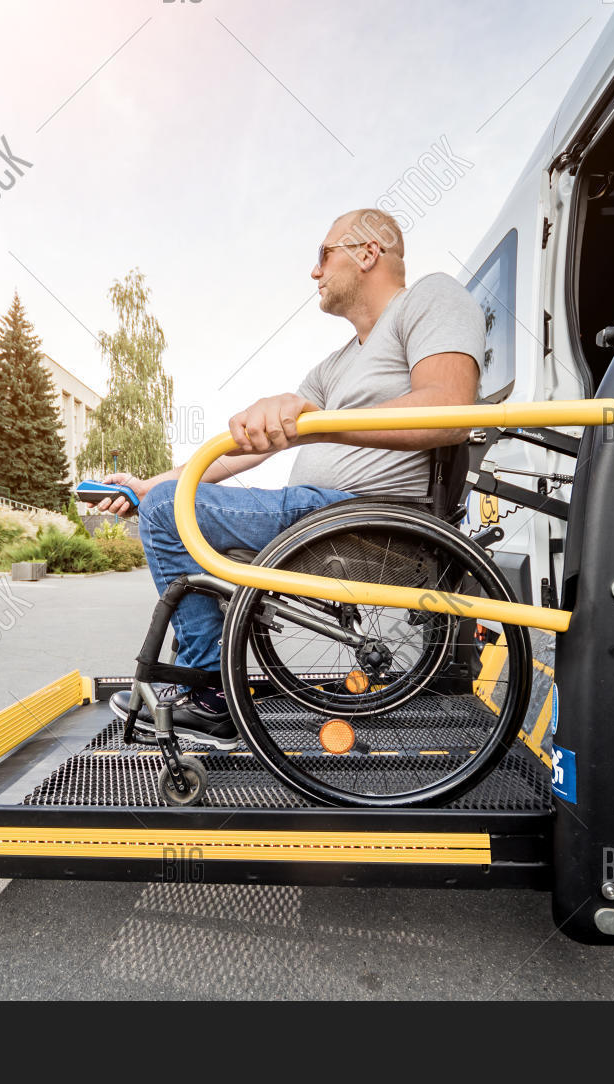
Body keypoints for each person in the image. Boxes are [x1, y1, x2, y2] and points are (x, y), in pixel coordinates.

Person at [93, 208, 487, 745]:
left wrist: (317, 427)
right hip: (322, 514)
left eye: (324, 254)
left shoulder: (431, 297)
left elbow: (448, 407)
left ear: (368, 252)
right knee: (166, 502)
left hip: (368, 522)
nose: (314, 272)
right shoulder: (334, 365)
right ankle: (205, 682)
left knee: (168, 512)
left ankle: (208, 696)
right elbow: (242, 454)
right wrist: (154, 483)